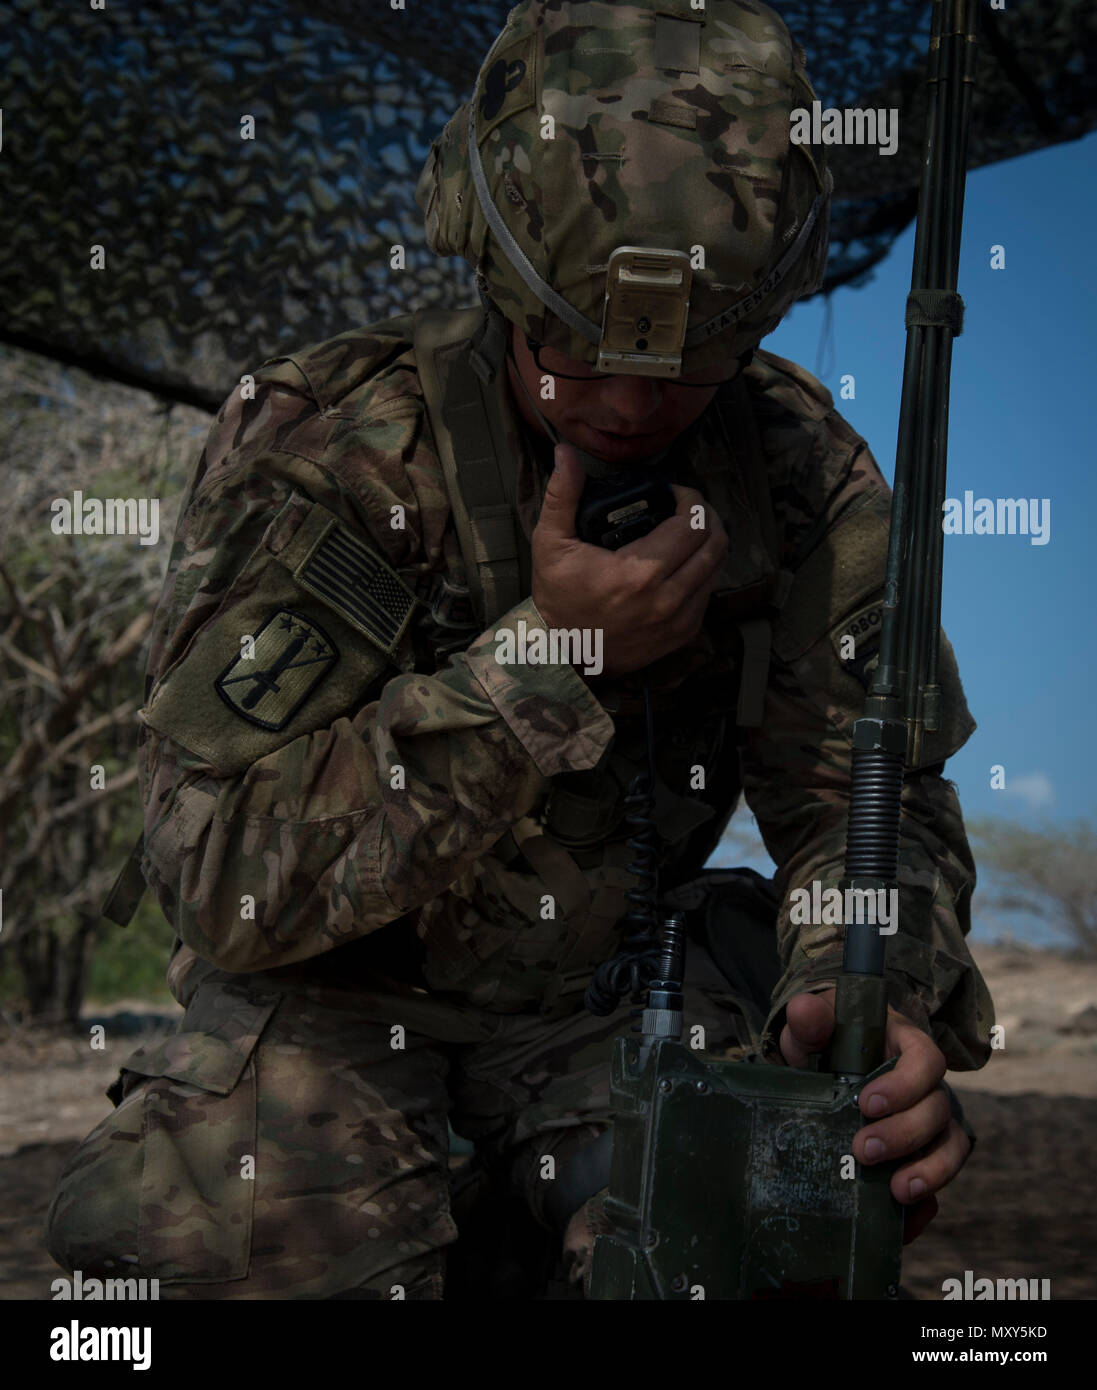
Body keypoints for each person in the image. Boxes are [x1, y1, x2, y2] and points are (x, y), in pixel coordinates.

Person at [45, 0, 993, 1300]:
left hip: (607, 1009)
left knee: (765, 1225)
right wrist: (546, 667)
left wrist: (860, 986)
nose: (626, 400)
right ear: (492, 274)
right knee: (269, 1215)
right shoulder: (336, 449)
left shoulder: (796, 470)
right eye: (574, 346)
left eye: (693, 355)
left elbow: (866, 802)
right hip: (327, 1003)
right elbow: (222, 878)